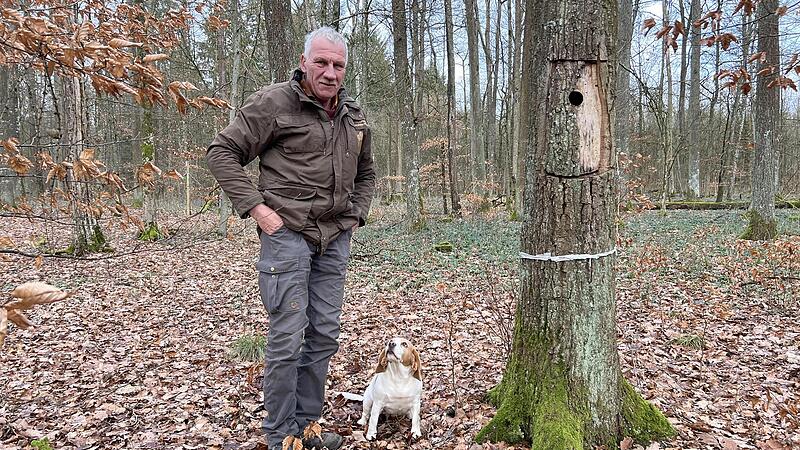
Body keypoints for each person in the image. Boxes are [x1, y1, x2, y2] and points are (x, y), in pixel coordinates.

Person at [206, 26, 375, 450]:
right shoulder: (274, 103)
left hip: (335, 237)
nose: (330, 72)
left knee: (324, 333)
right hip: (287, 235)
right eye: (321, 62)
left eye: (338, 65)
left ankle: (308, 426)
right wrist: (258, 210)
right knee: (287, 334)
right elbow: (221, 152)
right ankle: (281, 434)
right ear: (304, 62)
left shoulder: (353, 117)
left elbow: (367, 173)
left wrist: (357, 214)